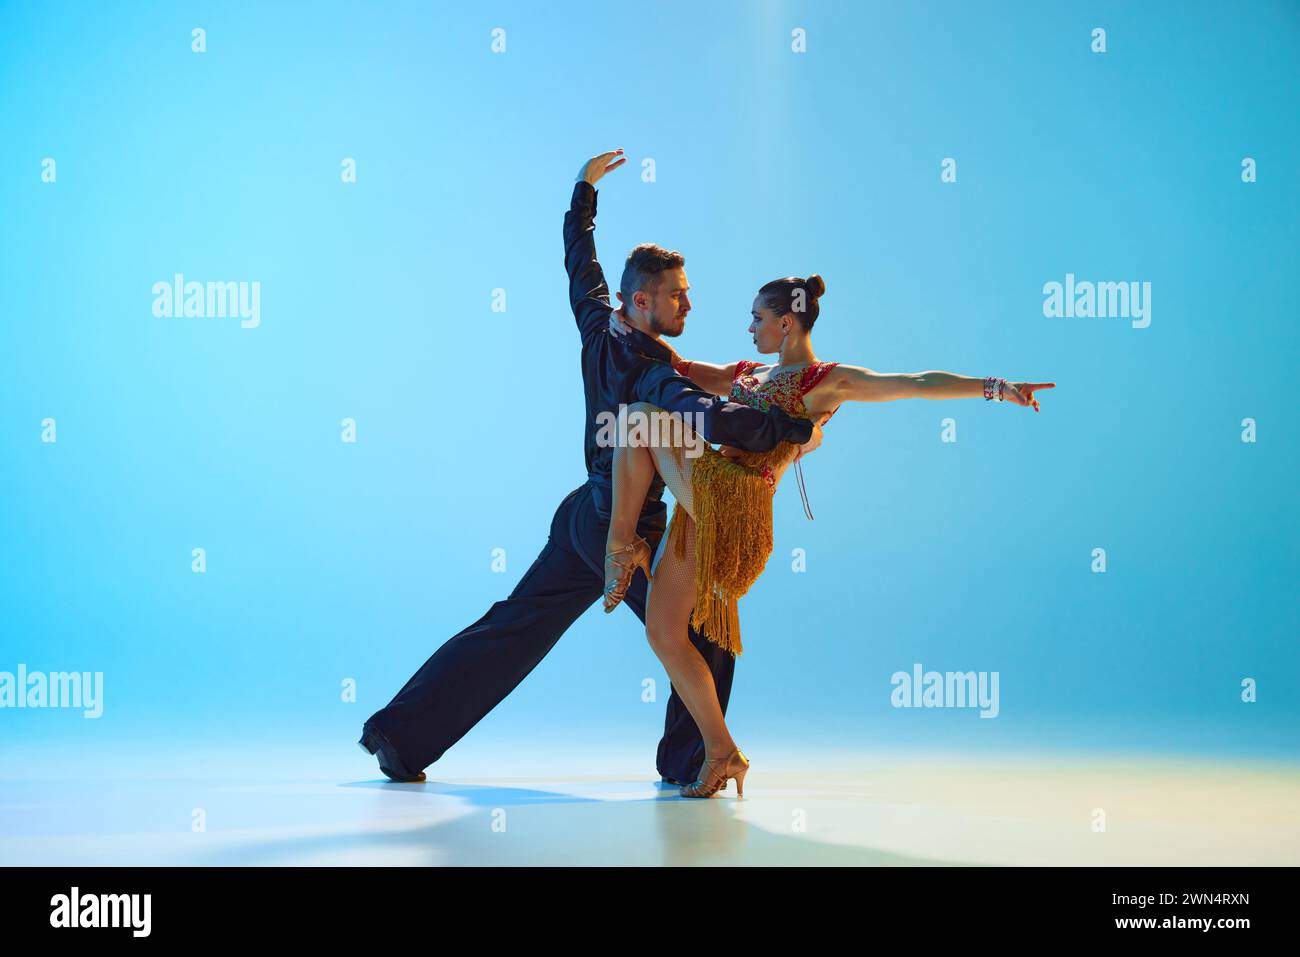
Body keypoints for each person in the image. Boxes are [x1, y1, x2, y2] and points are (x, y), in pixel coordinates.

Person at [357, 151, 822, 785]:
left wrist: (583, 193)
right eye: (678, 297)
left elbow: (581, 261)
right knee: (707, 633)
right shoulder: (654, 372)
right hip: (628, 526)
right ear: (641, 299)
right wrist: (791, 427)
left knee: (515, 626)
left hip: (583, 514)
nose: (689, 305)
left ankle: (399, 739)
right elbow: (710, 419)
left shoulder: (599, 326)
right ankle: (694, 764)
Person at [604, 274, 1054, 798]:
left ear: (786, 322)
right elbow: (672, 369)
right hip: (699, 501)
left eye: (757, 318)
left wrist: (997, 388)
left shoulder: (826, 380)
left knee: (639, 419)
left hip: (735, 497)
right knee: (663, 634)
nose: (749, 327)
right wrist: (616, 321)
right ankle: (723, 752)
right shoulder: (748, 375)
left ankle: (624, 544)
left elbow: (914, 382)